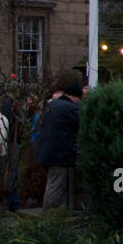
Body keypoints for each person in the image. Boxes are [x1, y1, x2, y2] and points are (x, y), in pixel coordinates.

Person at [35, 79, 82, 209]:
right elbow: (82, 123)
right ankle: (50, 217)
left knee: (52, 183)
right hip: (59, 154)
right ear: (74, 96)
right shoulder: (69, 108)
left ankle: (56, 212)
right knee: (55, 185)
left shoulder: (52, 105)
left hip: (45, 151)